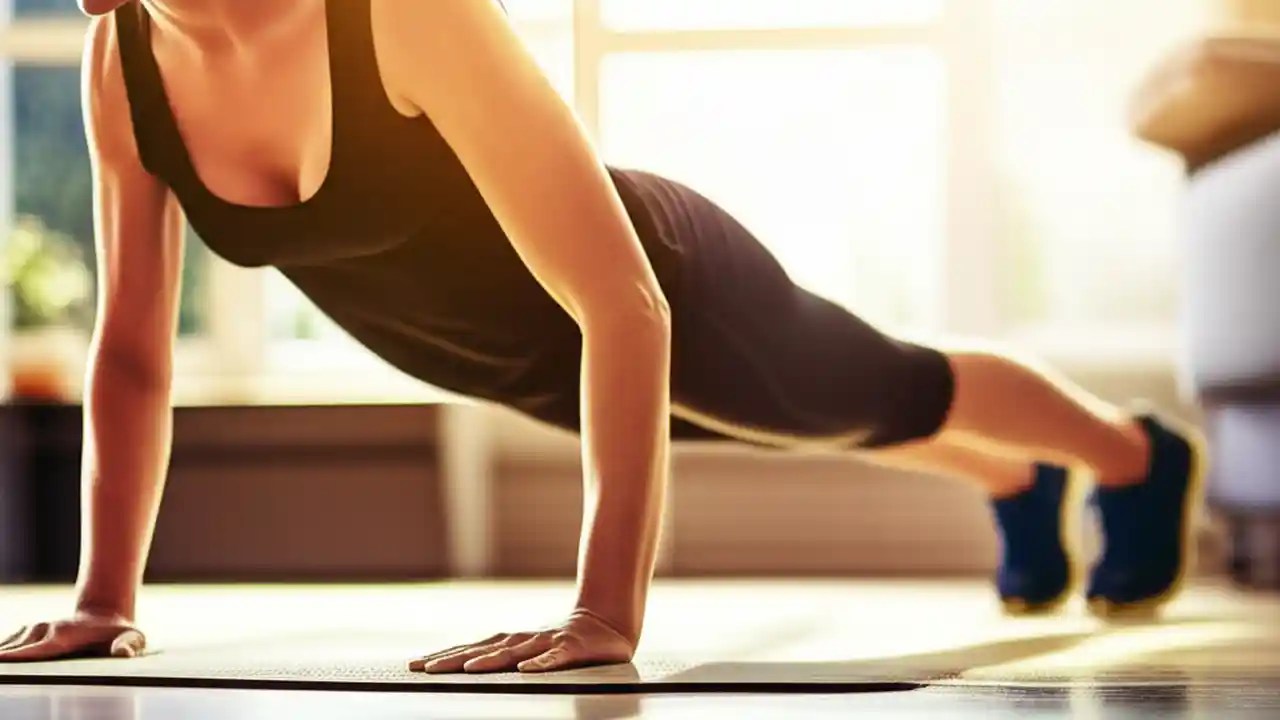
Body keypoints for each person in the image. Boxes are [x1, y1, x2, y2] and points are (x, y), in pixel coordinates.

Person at [0, 0, 1202, 674]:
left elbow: (621, 303)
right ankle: (1010, 475)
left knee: (869, 388)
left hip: (651, 280)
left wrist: (602, 613)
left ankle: (1132, 457)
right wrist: (107, 596)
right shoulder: (125, 61)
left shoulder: (399, 16)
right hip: (502, 352)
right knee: (775, 427)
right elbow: (136, 350)